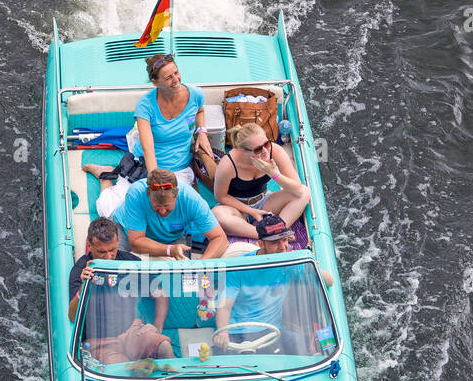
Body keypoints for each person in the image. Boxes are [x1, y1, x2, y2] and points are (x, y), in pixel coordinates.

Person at [84, 53, 213, 216]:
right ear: (155, 82)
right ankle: (105, 176)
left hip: (179, 169)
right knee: (109, 212)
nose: (176, 80)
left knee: (175, 214)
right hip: (146, 166)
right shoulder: (145, 105)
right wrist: (155, 184)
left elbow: (200, 110)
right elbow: (148, 148)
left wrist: (201, 132)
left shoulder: (195, 94)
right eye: (168, 78)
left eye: (176, 73)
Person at [213, 213, 330, 352]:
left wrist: (313, 268)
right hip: (236, 332)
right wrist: (222, 333)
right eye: (275, 242)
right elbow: (224, 306)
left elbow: (329, 281)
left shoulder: (292, 261)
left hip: (273, 331)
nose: (282, 247)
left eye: (285, 240)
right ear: (261, 244)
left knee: (305, 348)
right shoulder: (239, 266)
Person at [68, 216, 173, 363]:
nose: (109, 257)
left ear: (118, 242)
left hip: (131, 330)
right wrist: (83, 286)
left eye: (112, 250)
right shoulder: (80, 270)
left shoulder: (130, 263)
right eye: (101, 252)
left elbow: (160, 293)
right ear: (89, 246)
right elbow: (72, 316)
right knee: (121, 369)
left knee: (164, 347)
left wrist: (157, 327)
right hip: (99, 340)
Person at [212, 122, 310, 241]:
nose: (264, 151)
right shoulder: (228, 164)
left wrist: (274, 174)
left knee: (304, 192)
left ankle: (279, 229)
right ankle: (269, 234)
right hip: (237, 208)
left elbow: (298, 189)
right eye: (258, 149)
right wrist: (251, 211)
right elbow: (220, 196)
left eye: (266, 144)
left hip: (264, 201)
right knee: (217, 215)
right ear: (243, 151)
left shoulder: (275, 151)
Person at [115, 168, 228, 260]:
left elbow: (220, 238)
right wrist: (169, 250)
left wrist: (203, 263)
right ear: (148, 195)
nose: (163, 211)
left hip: (171, 239)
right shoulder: (136, 194)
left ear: (177, 196)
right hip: (128, 232)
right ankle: (105, 178)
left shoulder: (191, 199)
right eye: (157, 207)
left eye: (167, 207)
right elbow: (136, 242)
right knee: (114, 267)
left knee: (182, 277)